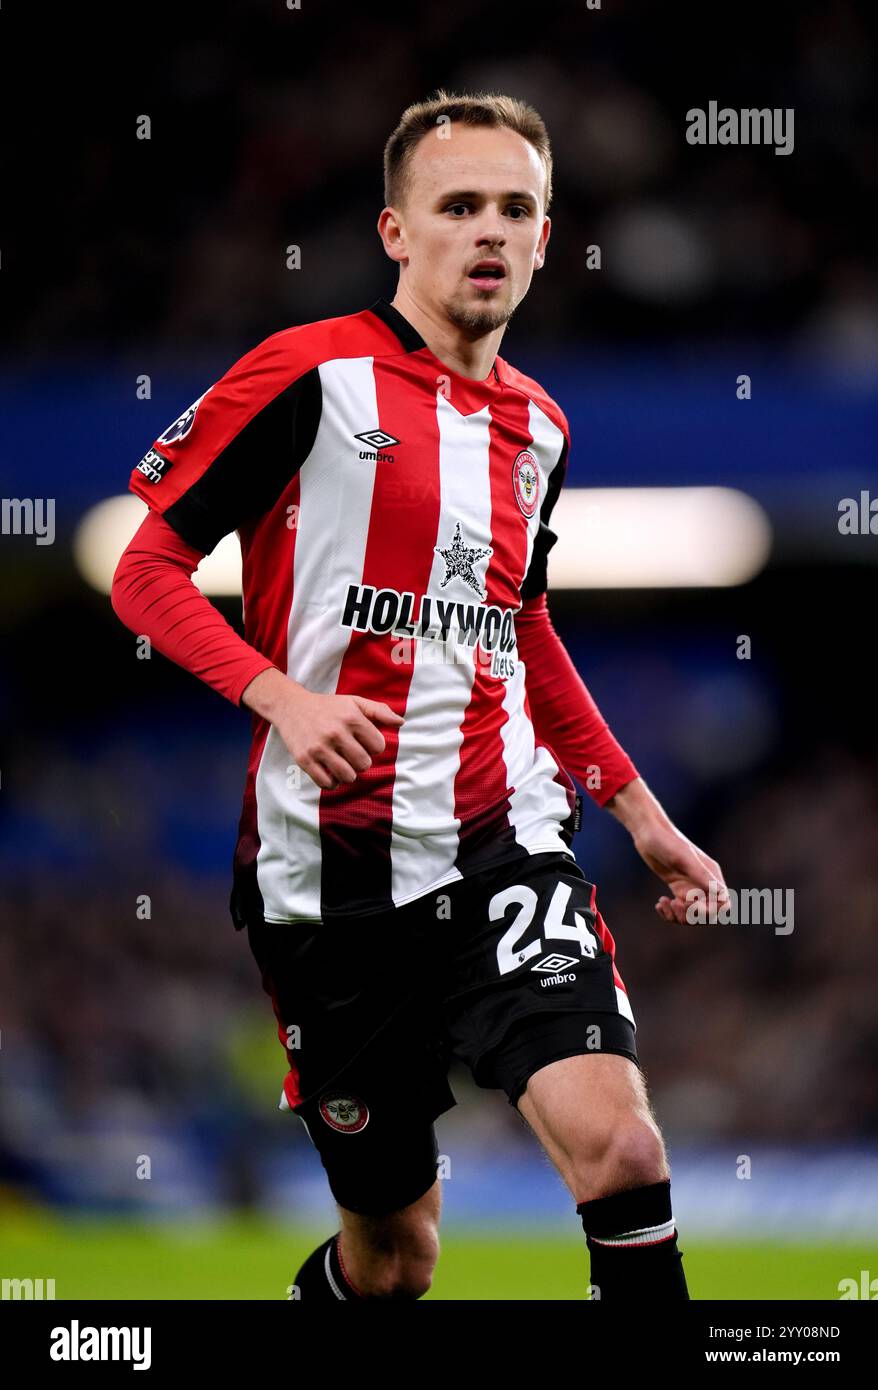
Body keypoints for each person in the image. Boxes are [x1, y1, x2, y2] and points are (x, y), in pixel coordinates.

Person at [111, 89, 727, 1302]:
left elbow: (523, 627)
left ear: (546, 238)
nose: (487, 231)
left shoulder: (540, 426)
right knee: (394, 1259)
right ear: (397, 231)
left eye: (514, 208)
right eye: (457, 206)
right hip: (326, 885)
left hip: (501, 844)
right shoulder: (306, 376)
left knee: (622, 1148)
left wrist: (640, 814)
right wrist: (279, 693)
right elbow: (144, 571)